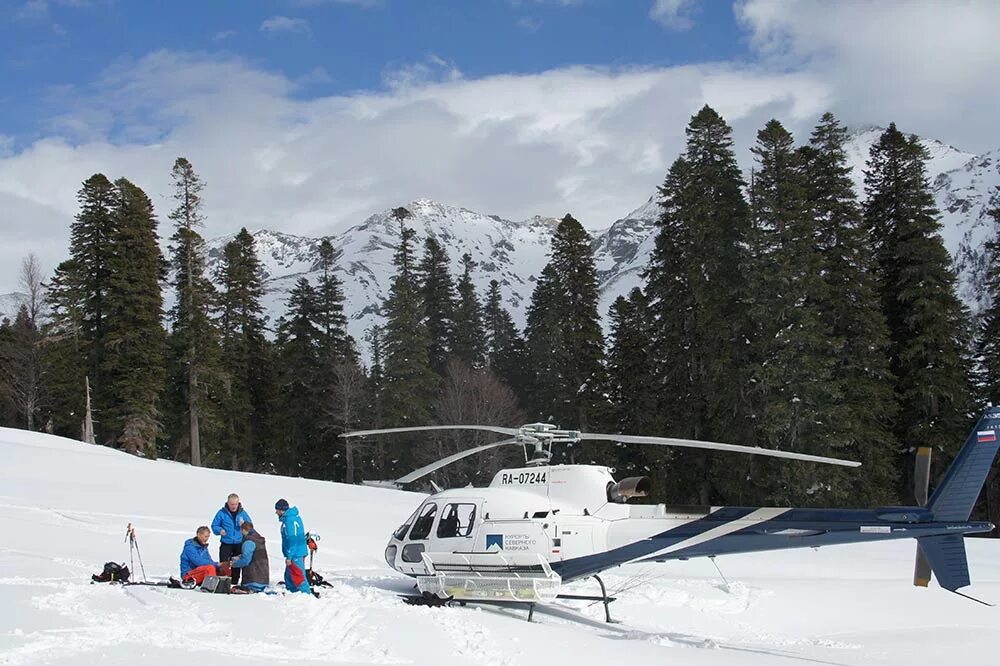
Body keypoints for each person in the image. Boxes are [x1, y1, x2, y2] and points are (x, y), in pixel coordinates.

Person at [211, 493, 252, 584]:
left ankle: (234, 581)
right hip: (226, 543)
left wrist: (243, 525)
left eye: (235, 504)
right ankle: (223, 582)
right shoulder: (221, 513)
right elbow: (214, 525)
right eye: (232, 504)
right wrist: (219, 530)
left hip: (239, 543)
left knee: (237, 563)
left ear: (238, 503)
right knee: (224, 564)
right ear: (228, 503)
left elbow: (250, 526)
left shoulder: (242, 513)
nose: (234, 506)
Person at [275, 498, 312, 595]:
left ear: (282, 510)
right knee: (289, 576)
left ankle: (307, 595)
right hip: (297, 551)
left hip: (295, 554)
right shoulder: (295, 517)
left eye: (277, 510)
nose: (276, 512)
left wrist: (289, 557)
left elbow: (293, 540)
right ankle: (292, 593)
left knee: (298, 576)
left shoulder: (289, 521)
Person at [229, 521, 269, 593]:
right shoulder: (258, 540)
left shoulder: (248, 542)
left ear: (243, 530)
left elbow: (245, 560)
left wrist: (233, 564)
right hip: (264, 580)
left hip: (252, 580)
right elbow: (255, 555)